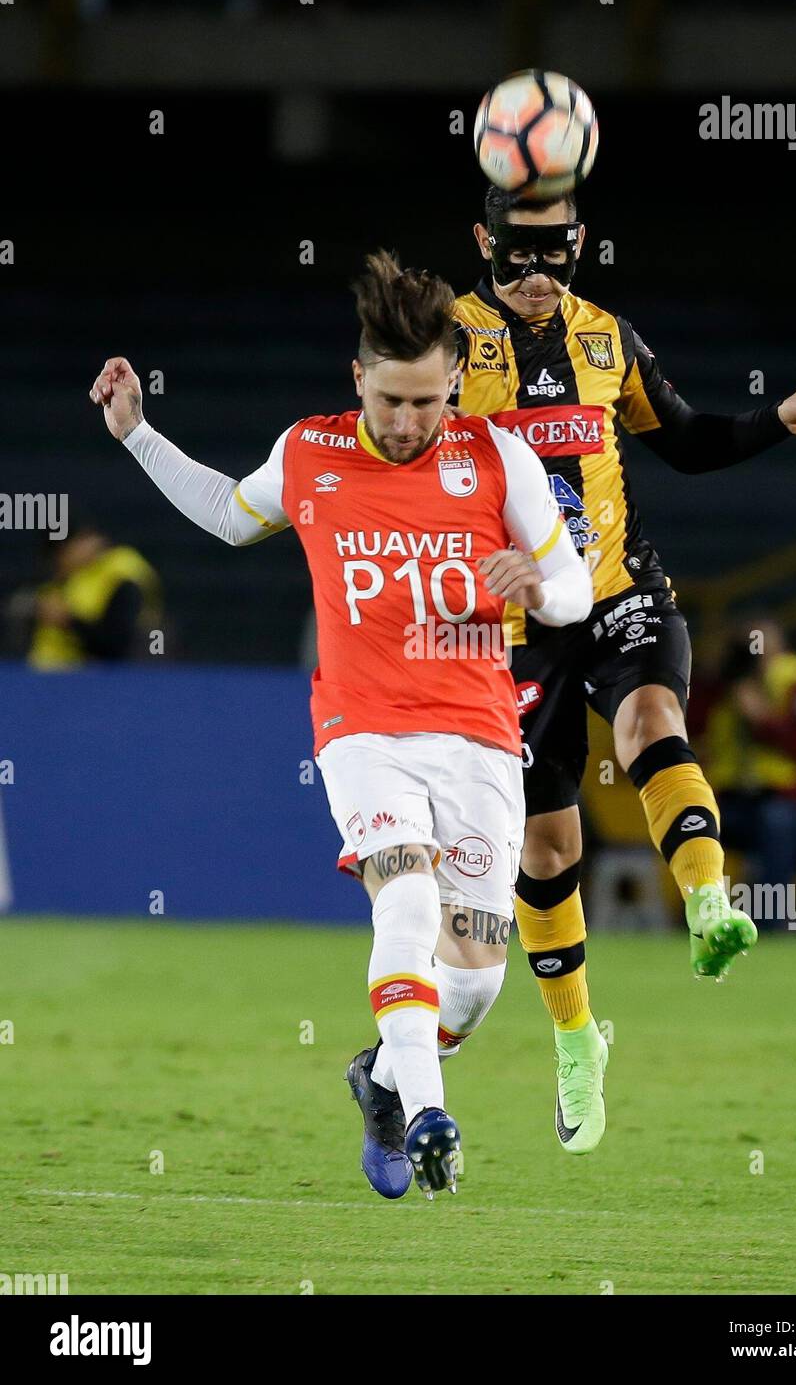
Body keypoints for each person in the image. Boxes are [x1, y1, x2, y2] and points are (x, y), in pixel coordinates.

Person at [88, 250, 592, 1200]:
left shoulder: (497, 457)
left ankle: (384, 1078)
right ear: (358, 377)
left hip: (481, 732)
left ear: (453, 386)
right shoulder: (312, 453)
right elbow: (231, 517)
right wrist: (138, 435)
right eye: (391, 401)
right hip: (363, 732)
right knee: (403, 899)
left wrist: (542, 586)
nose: (408, 424)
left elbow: (574, 584)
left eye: (429, 403)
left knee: (478, 981)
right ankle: (430, 1115)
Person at [452, 185, 796, 1154]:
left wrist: (778, 417)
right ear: (483, 242)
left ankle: (709, 899)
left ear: (581, 243)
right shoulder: (446, 343)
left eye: (552, 255)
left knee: (650, 723)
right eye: (515, 256)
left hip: (619, 591)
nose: (534, 276)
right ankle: (574, 1042)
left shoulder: (607, 338)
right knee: (547, 851)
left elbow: (681, 440)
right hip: (512, 629)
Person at [702, 620, 796, 899]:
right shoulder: (725, 689)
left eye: (757, 647)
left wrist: (764, 722)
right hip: (738, 800)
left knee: (776, 822)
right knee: (696, 819)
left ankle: (769, 921)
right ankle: (700, 912)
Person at [12, 520, 159, 670]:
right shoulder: (71, 578)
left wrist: (67, 620)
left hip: (111, 676)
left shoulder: (121, 577)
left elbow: (115, 645)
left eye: (64, 550)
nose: (60, 561)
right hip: (49, 673)